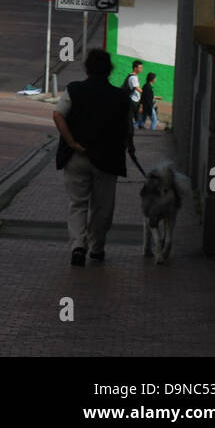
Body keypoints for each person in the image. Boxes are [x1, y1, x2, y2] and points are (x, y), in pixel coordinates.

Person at [53, 48, 135, 266]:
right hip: (107, 159)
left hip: (76, 156)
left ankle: (78, 246)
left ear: (87, 68)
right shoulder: (121, 97)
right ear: (110, 70)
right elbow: (128, 128)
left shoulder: (74, 89)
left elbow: (58, 114)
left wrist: (71, 142)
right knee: (103, 207)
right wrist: (131, 147)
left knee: (77, 203)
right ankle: (97, 248)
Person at [125, 60, 144, 130]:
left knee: (135, 117)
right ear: (135, 68)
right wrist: (145, 93)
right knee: (133, 117)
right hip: (133, 100)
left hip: (135, 100)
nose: (141, 69)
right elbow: (137, 88)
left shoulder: (134, 76)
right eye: (140, 68)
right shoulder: (133, 77)